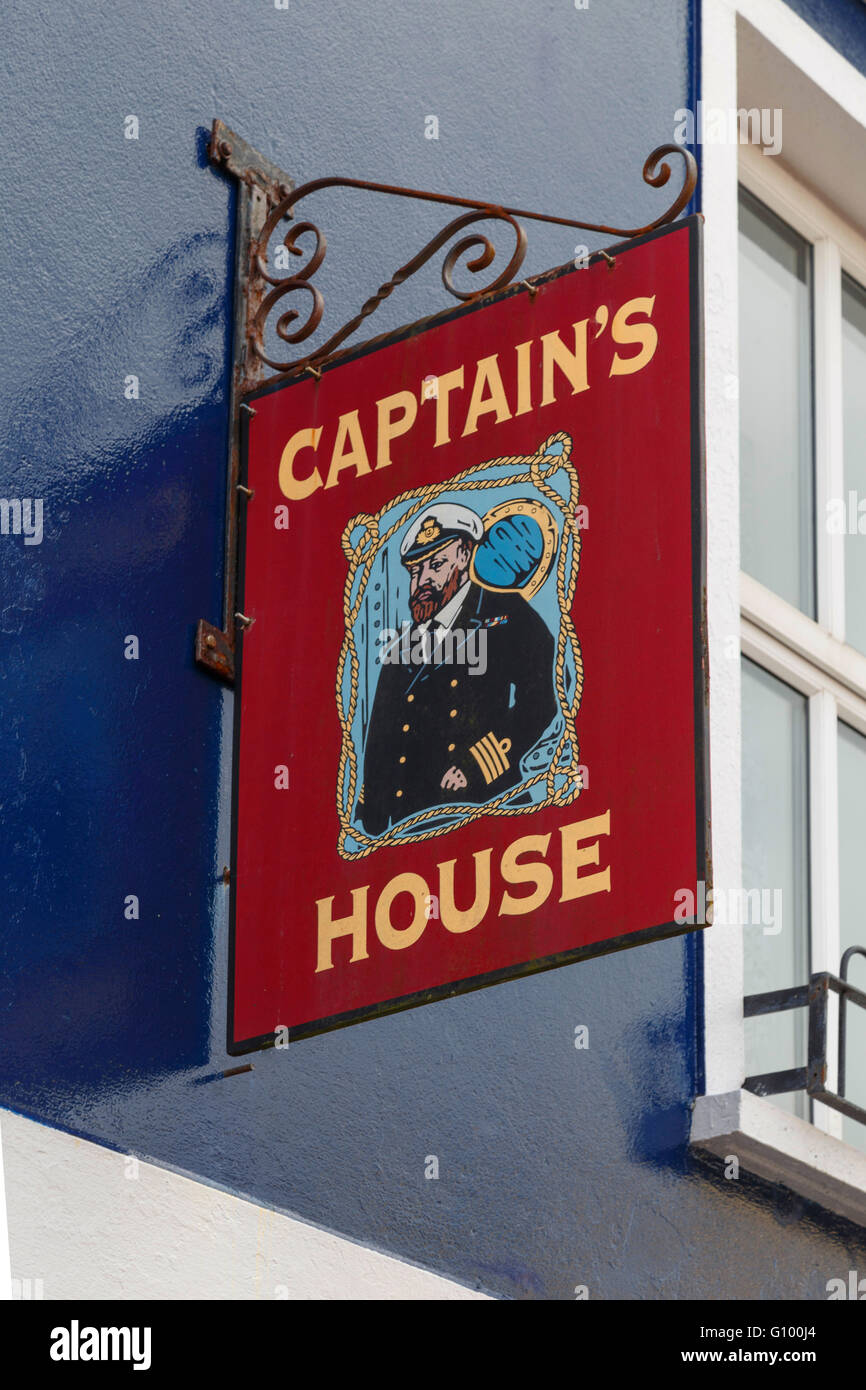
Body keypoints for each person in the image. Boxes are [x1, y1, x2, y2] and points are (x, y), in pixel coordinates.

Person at [357, 502, 557, 836]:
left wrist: (475, 764)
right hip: (411, 828)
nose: (423, 581)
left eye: (435, 565)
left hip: (486, 813)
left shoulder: (509, 616)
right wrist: (372, 822)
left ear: (464, 558)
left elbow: (539, 704)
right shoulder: (401, 648)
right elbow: (381, 740)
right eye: (415, 571)